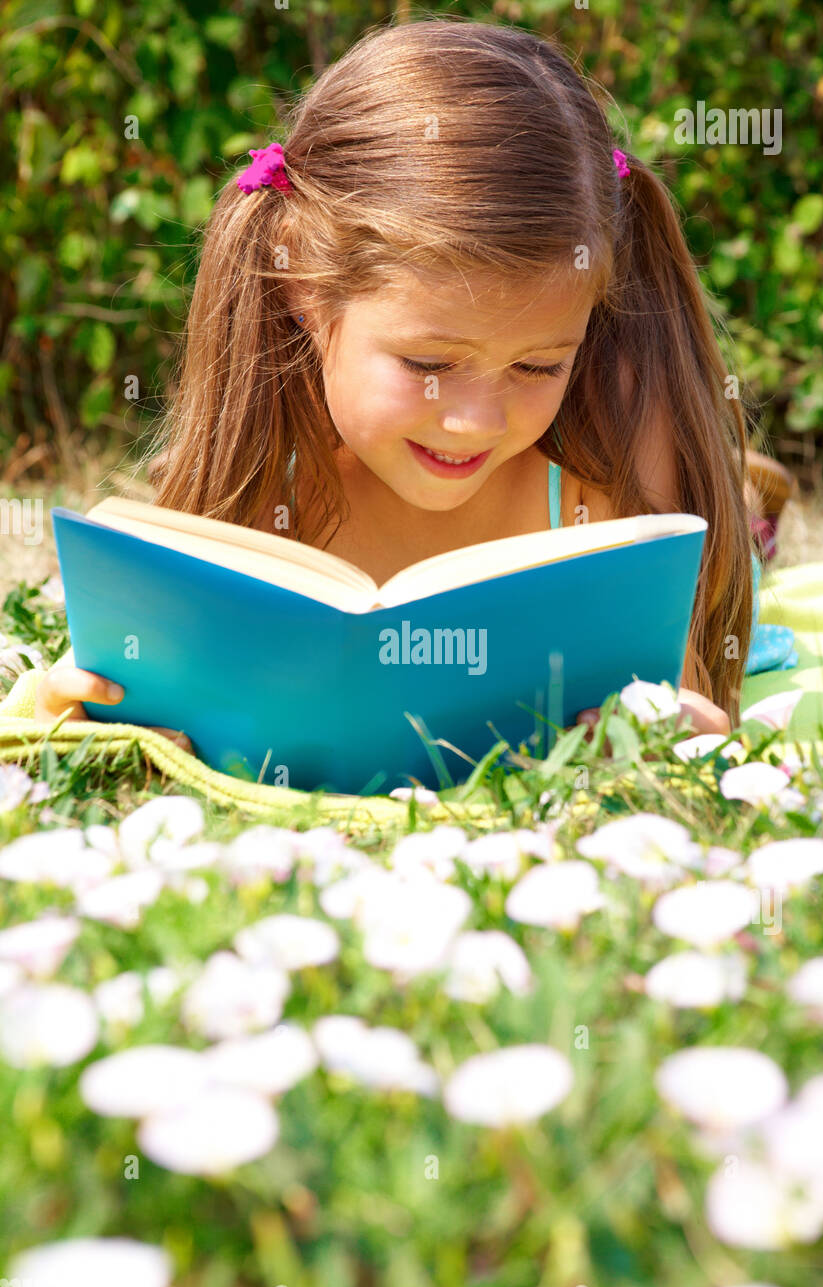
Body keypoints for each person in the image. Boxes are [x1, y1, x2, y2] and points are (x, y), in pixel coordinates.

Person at [34, 18, 756, 755]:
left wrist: (677, 731)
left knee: (715, 498)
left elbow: (690, 702)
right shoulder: (261, 477)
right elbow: (117, 694)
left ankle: (759, 501)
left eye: (538, 366)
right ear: (304, 298)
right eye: (430, 367)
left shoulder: (602, 473)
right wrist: (65, 703)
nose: (473, 421)